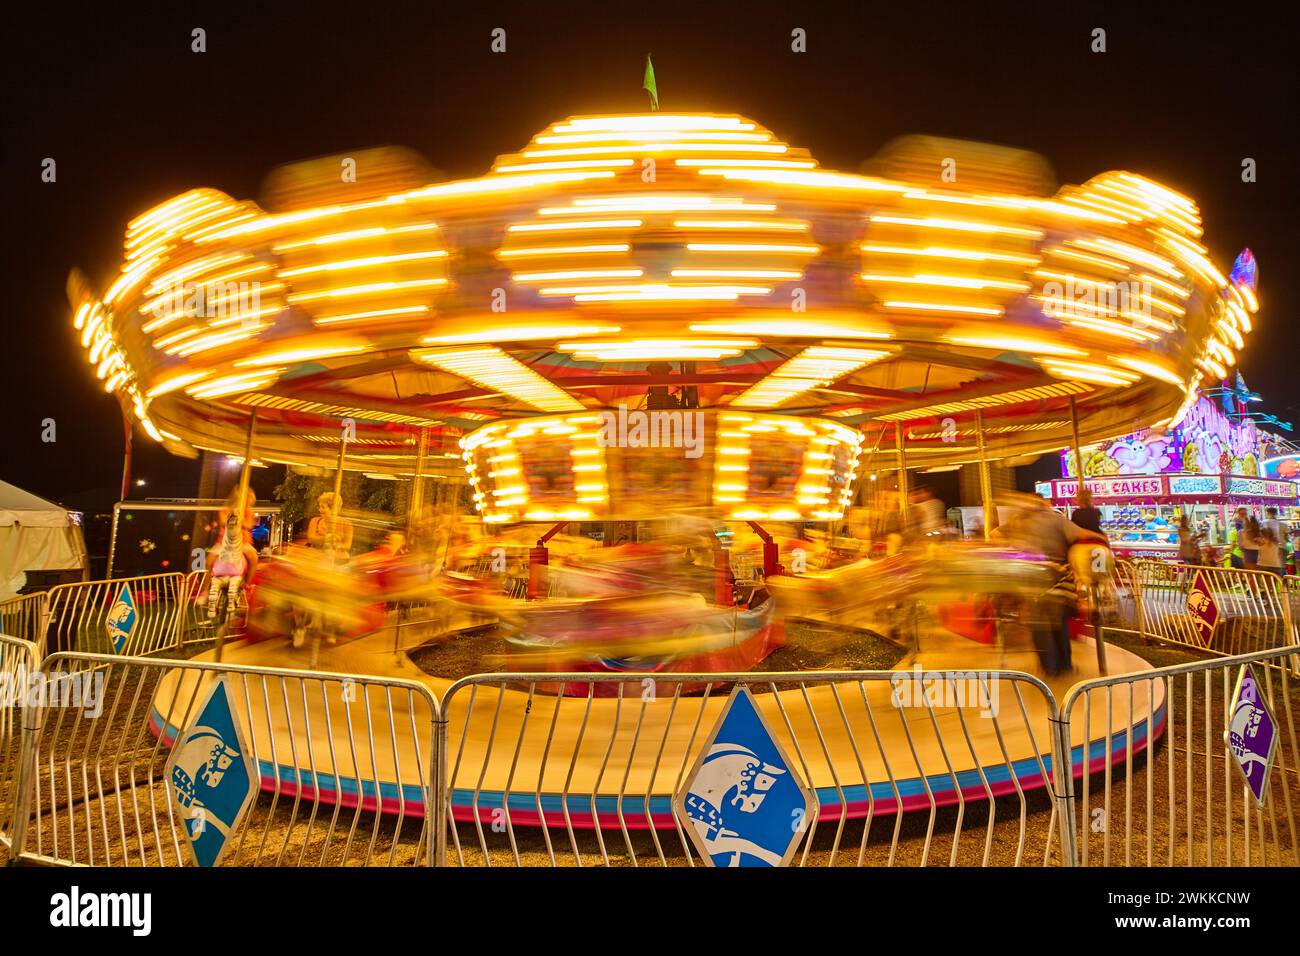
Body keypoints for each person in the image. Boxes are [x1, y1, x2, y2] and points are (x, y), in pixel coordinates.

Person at [997, 493, 1109, 677]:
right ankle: (1065, 665)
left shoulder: (1020, 521)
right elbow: (1080, 534)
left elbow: (996, 534)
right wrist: (1101, 538)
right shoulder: (1056, 519)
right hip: (1058, 579)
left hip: (1031, 579)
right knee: (1059, 623)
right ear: (1045, 503)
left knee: (1040, 625)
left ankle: (1050, 668)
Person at [1257, 507, 1286, 577]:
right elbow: (1287, 535)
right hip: (1280, 547)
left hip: (1267, 547)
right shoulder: (1282, 524)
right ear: (1276, 513)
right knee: (1281, 566)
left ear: (1268, 513)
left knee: (1268, 568)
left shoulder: (1263, 523)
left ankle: (1271, 584)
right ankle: (1282, 582)